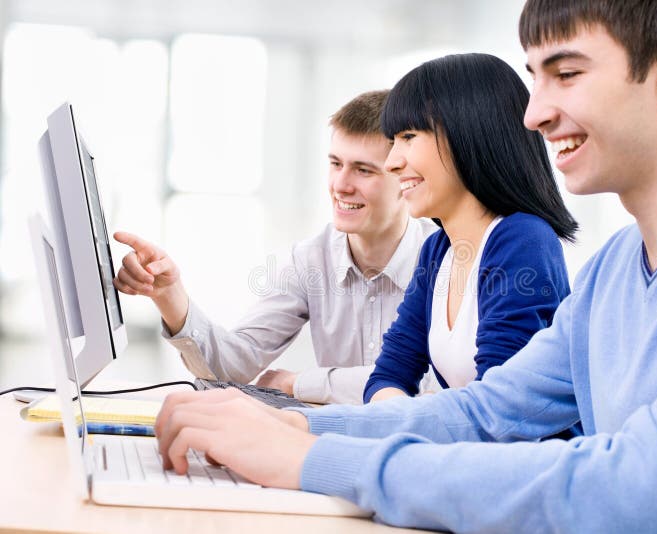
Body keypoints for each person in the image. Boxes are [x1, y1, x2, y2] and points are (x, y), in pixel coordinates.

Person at [154, 1, 657, 532]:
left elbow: (648, 490)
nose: (533, 113)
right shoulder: (611, 275)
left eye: (565, 73)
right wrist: (287, 425)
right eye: (533, 77)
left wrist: (316, 458)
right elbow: (486, 413)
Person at [113, 90, 438, 405]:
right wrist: (169, 295)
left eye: (363, 170)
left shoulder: (446, 259)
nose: (341, 185)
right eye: (336, 164)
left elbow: (425, 387)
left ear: (405, 177)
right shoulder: (311, 260)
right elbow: (230, 369)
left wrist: (299, 383)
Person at [364, 53, 577, 403]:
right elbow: (389, 374)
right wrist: (398, 416)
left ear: (469, 132)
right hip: (463, 451)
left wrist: (403, 423)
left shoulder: (521, 239)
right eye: (393, 142)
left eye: (408, 136)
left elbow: (497, 409)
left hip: (527, 456)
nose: (391, 162)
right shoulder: (438, 249)